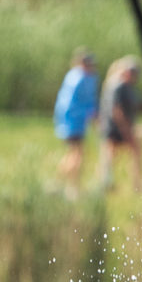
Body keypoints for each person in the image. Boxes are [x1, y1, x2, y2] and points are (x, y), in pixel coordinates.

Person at [52, 49, 98, 197]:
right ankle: (72, 189)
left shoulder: (73, 76)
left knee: (72, 153)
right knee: (77, 154)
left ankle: (57, 183)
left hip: (68, 120)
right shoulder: (81, 78)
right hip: (74, 121)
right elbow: (83, 102)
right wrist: (92, 115)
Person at [97, 56, 142, 194]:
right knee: (112, 155)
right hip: (115, 127)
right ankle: (132, 185)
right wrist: (125, 128)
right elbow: (116, 110)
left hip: (117, 126)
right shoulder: (117, 85)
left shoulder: (123, 84)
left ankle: (112, 184)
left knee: (112, 155)